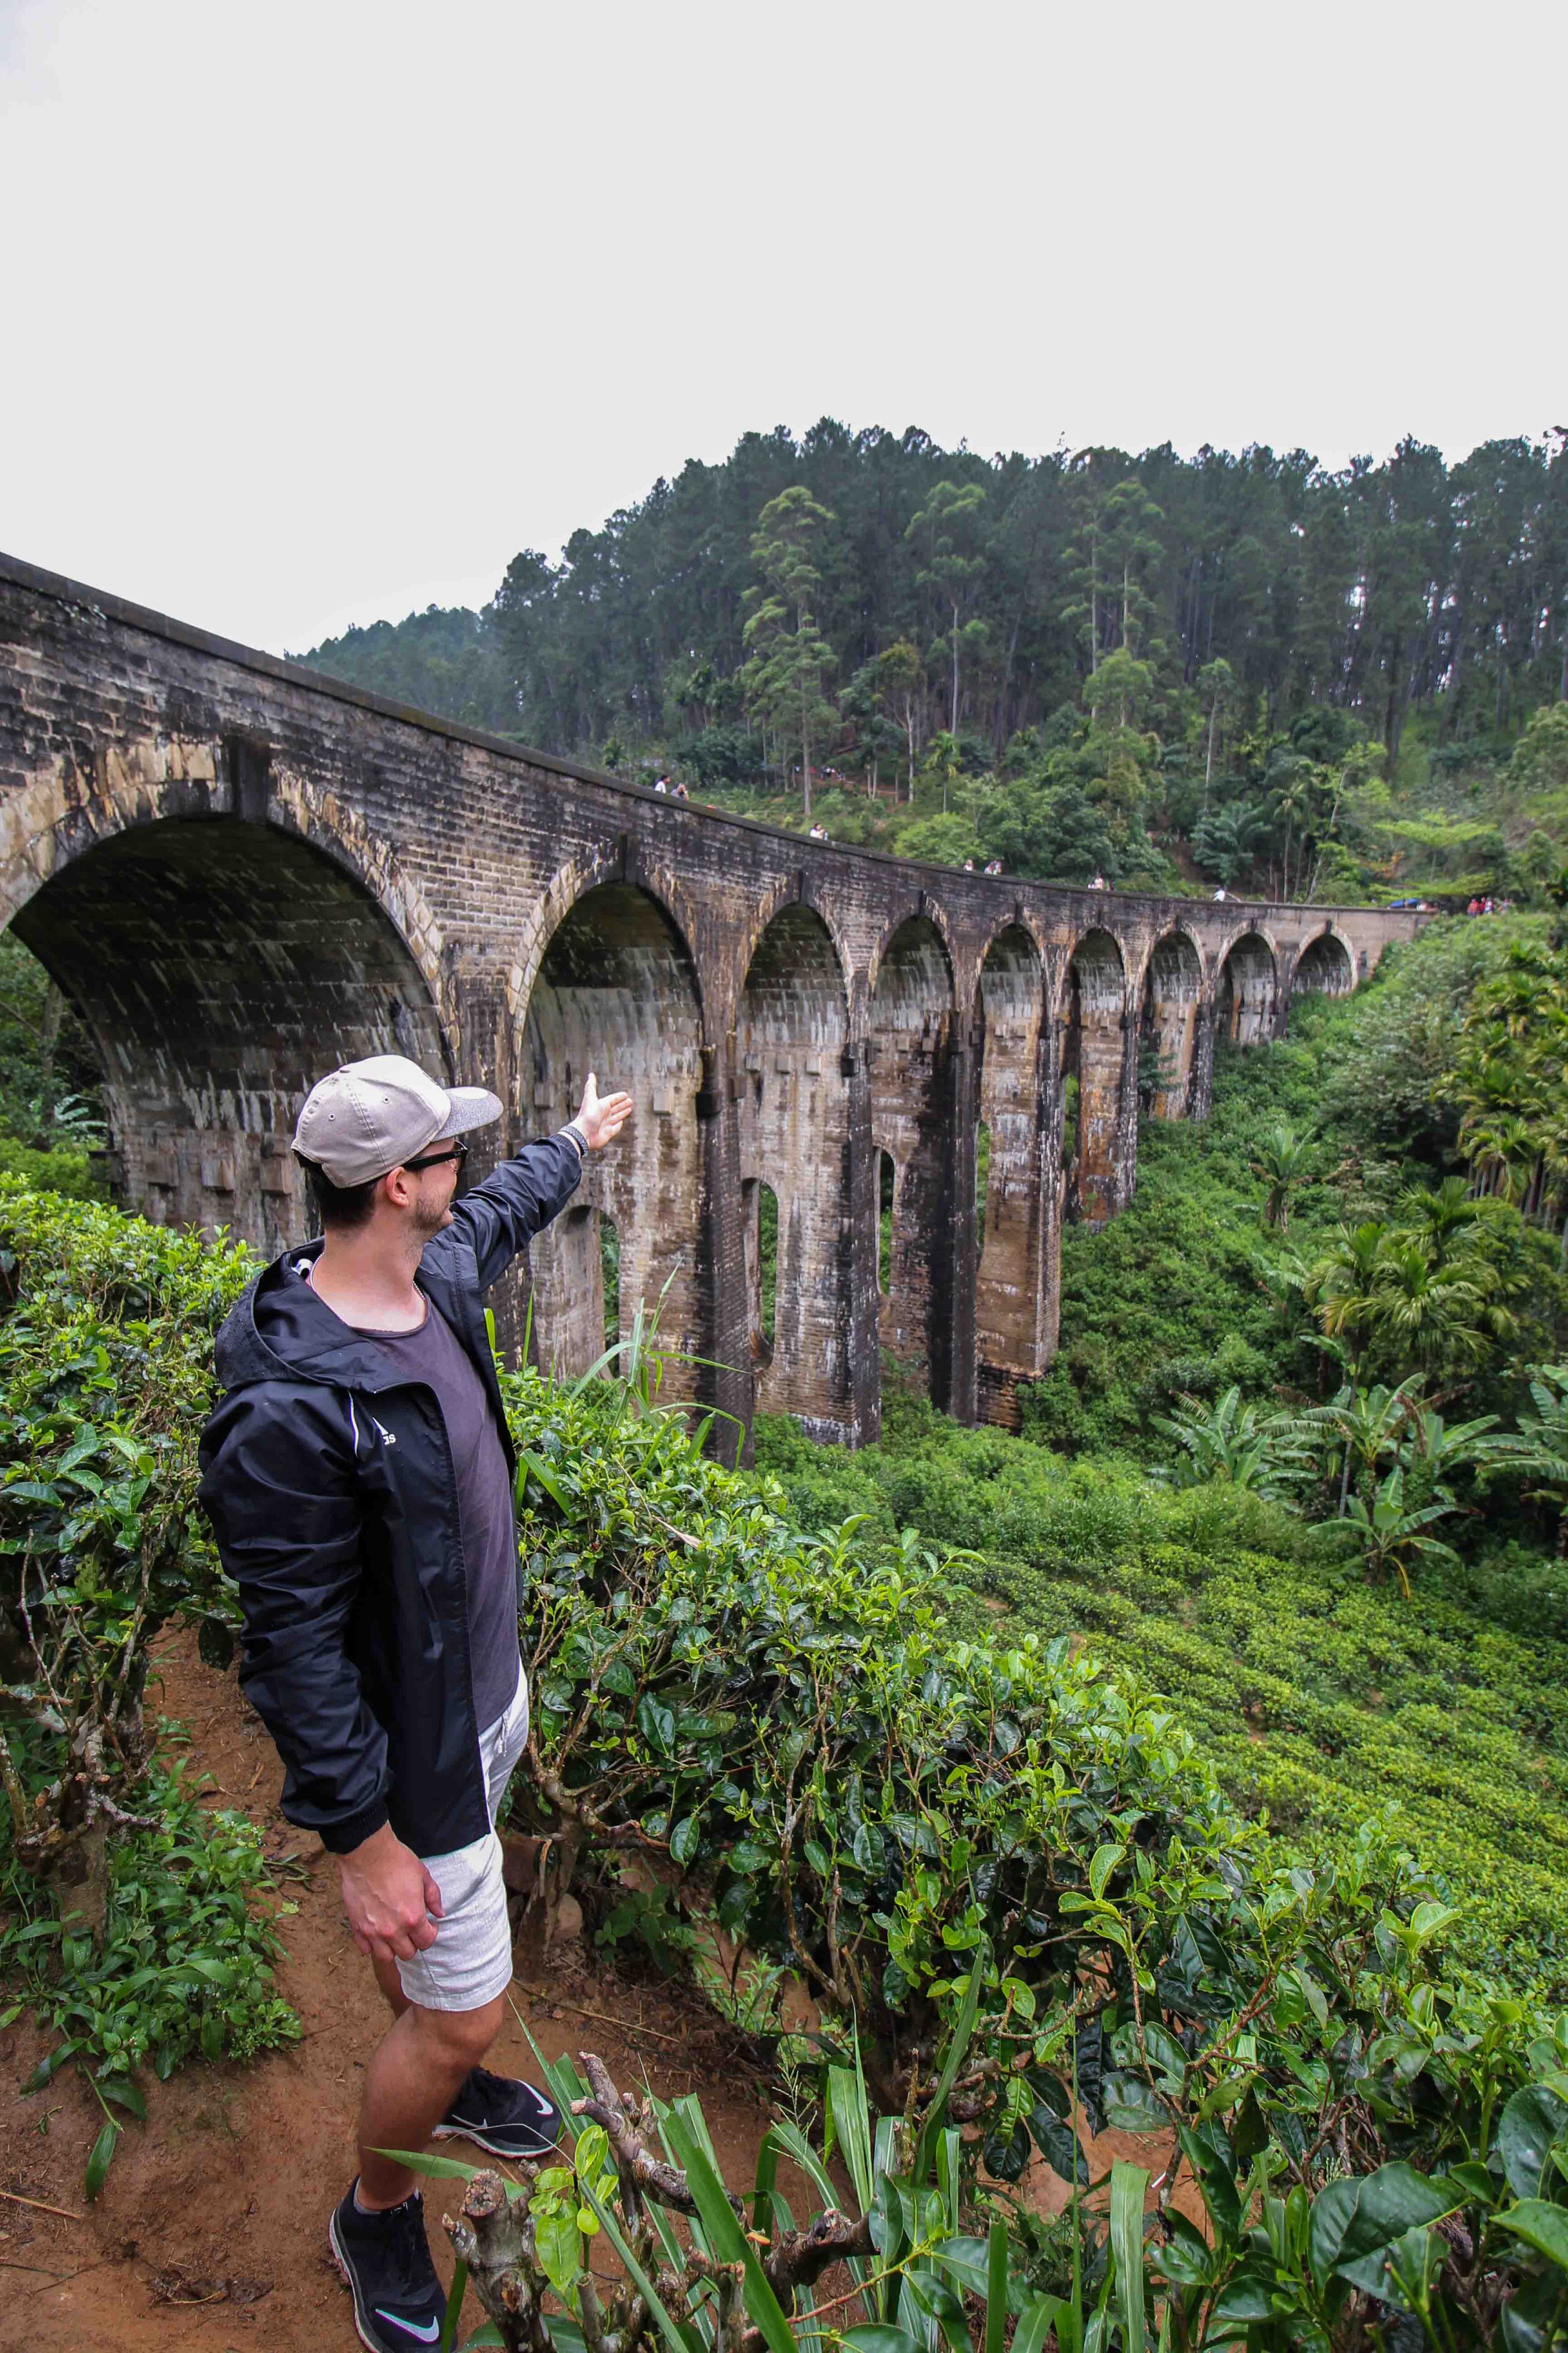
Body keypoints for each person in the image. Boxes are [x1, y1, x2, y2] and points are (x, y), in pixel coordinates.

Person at [199, 1055, 632, 2353]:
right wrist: (364, 1842)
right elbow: (295, 1654)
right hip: (412, 1766)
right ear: (399, 1183)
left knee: (445, 2003)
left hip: (477, 1705)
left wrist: (575, 1142)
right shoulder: (291, 1408)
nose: (469, 1171)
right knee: (462, 2005)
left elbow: (503, 1216)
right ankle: (377, 2208)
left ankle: (452, 2073)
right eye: (452, 1151)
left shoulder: (425, 1278)